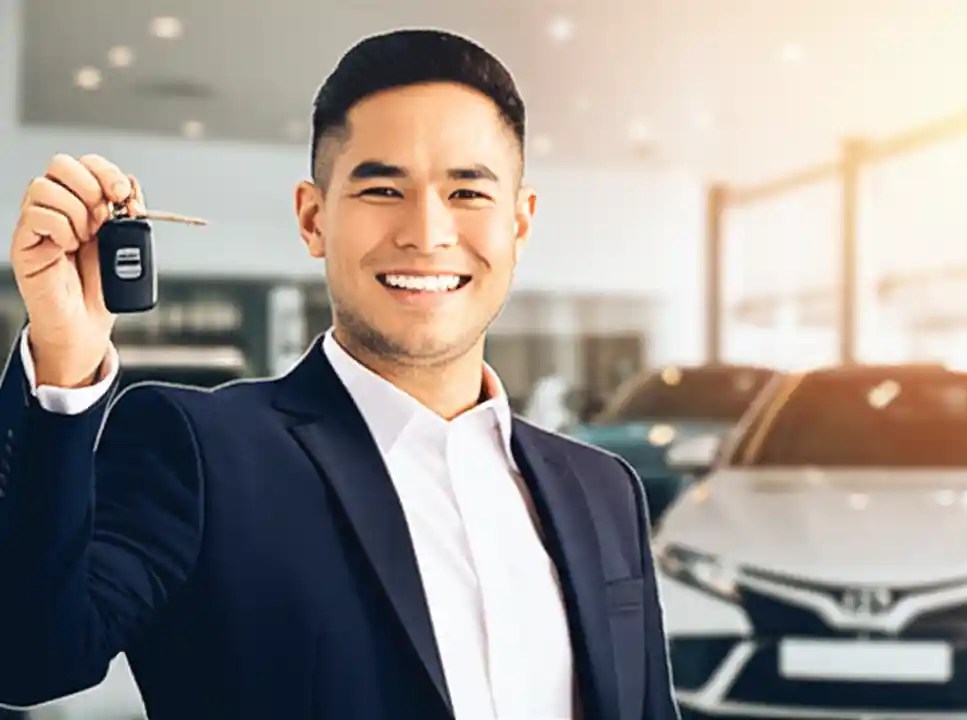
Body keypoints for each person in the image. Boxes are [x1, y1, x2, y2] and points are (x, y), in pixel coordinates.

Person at [0, 29, 678, 720]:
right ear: (313, 217)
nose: (426, 232)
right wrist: (63, 356)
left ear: (520, 223)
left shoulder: (603, 490)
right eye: (384, 188)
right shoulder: (203, 452)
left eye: (468, 193)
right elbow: (28, 657)